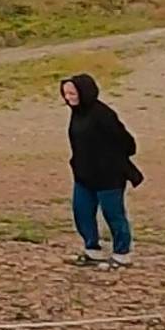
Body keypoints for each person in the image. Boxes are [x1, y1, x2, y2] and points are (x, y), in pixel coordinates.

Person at [63, 73, 140, 267]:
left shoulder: (103, 114)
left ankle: (122, 253)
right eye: (66, 94)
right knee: (82, 212)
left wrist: (110, 159)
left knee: (113, 214)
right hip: (83, 175)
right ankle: (92, 250)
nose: (69, 97)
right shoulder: (77, 113)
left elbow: (127, 143)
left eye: (72, 93)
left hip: (109, 176)